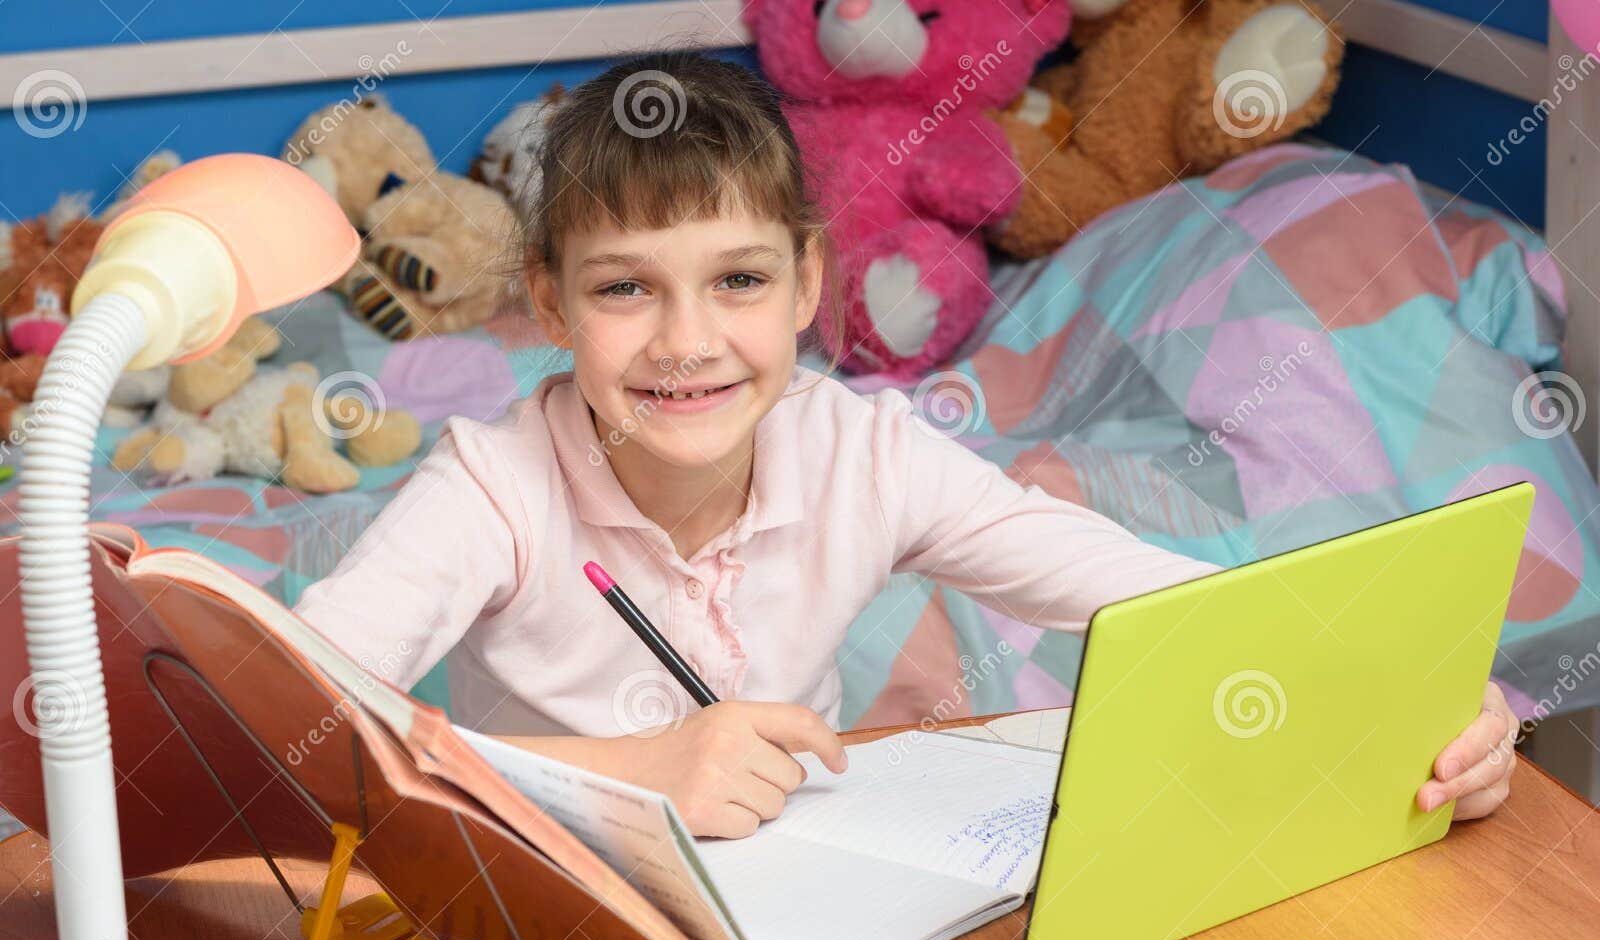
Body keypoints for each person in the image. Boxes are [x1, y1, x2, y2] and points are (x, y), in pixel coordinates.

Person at [295, 51, 1517, 838]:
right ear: (551, 310)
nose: (688, 341)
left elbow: (1147, 593)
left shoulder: (863, 451)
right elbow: (293, 723)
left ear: (803, 283)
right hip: (558, 906)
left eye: (737, 279)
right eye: (624, 291)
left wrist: (1412, 693)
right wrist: (627, 773)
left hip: (807, 890)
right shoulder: (490, 484)